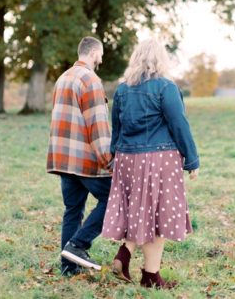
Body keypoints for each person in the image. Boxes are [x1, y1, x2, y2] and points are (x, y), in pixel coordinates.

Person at [102, 38, 200, 289]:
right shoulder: (165, 88)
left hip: (126, 158)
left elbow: (117, 127)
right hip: (159, 158)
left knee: (141, 212)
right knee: (159, 215)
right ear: (161, 60)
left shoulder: (122, 90)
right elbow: (179, 124)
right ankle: (149, 274)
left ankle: (137, 264)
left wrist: (114, 155)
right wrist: (192, 159)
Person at [47, 36, 113, 275]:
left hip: (63, 159)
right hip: (85, 160)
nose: (102, 59)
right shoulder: (91, 80)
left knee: (72, 210)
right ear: (94, 53)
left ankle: (68, 267)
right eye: (101, 54)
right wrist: (109, 162)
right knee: (114, 199)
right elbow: (98, 126)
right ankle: (78, 245)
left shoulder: (62, 78)